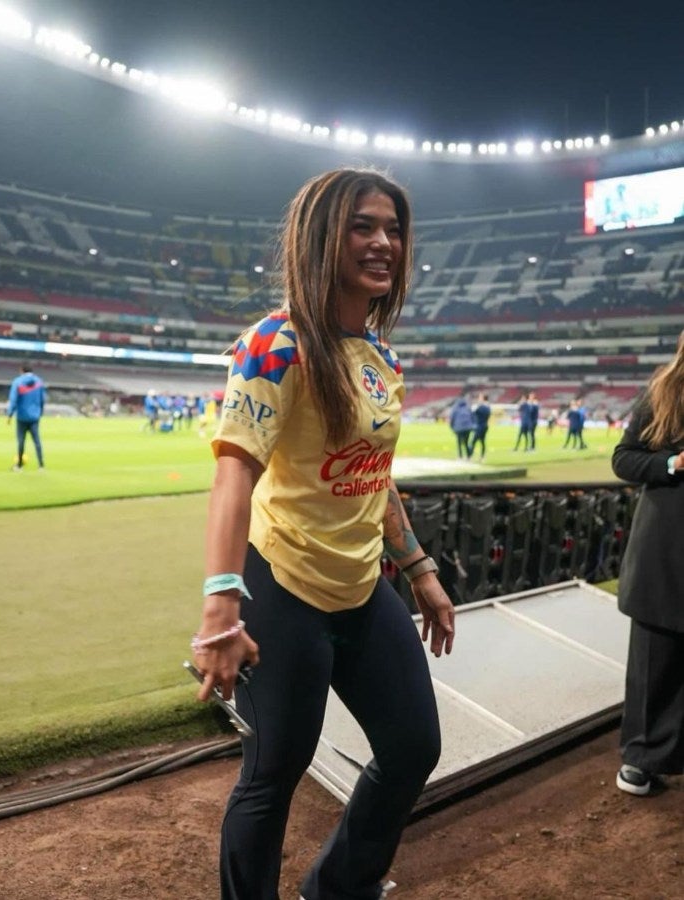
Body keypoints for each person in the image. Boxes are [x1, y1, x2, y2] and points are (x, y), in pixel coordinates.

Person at [191, 168, 456, 900]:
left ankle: (337, 888)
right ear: (320, 236)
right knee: (273, 772)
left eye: (393, 229)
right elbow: (233, 473)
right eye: (362, 226)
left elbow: (374, 476)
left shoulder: (381, 358)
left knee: (411, 749)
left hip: (361, 585)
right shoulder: (274, 343)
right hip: (283, 587)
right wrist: (221, 607)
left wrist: (420, 570)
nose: (383, 243)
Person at [611, 336, 684, 796]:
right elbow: (624, 458)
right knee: (655, 660)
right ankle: (641, 758)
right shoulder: (664, 390)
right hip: (666, 551)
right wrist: (674, 462)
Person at [6, 363, 46, 470]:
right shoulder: (39, 382)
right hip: (35, 416)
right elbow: (43, 399)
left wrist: (10, 415)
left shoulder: (17, 382)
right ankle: (41, 465)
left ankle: (19, 465)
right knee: (37, 441)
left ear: (21, 370)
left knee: (21, 441)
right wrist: (40, 412)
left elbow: (13, 400)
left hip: (22, 416)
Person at [467, 392, 491, 461]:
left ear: (483, 399)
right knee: (482, 441)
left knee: (473, 441)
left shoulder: (481, 407)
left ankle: (470, 456)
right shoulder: (487, 407)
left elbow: (473, 412)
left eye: (480, 398)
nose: (479, 399)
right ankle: (482, 456)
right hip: (485, 426)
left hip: (479, 427)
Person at [449, 395, 473, 459]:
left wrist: (452, 427)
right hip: (468, 428)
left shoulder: (455, 409)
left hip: (459, 428)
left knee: (459, 442)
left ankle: (460, 456)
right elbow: (472, 417)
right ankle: (468, 456)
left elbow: (452, 418)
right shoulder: (468, 408)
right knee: (466, 442)